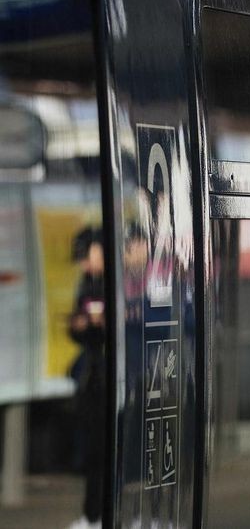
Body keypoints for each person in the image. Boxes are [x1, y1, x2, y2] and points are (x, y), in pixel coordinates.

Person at [67, 225, 106, 529]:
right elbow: (78, 327)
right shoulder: (86, 283)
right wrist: (79, 326)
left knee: (105, 453)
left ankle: (100, 513)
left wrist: (101, 322)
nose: (82, 263)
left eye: (85, 255)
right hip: (94, 377)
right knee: (93, 453)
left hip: (112, 378)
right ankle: (93, 515)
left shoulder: (116, 282)